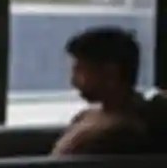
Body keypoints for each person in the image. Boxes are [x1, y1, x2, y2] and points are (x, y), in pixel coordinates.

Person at [52, 26, 152, 155]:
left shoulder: (120, 133)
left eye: (80, 71)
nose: (73, 81)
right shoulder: (86, 116)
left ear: (110, 74)